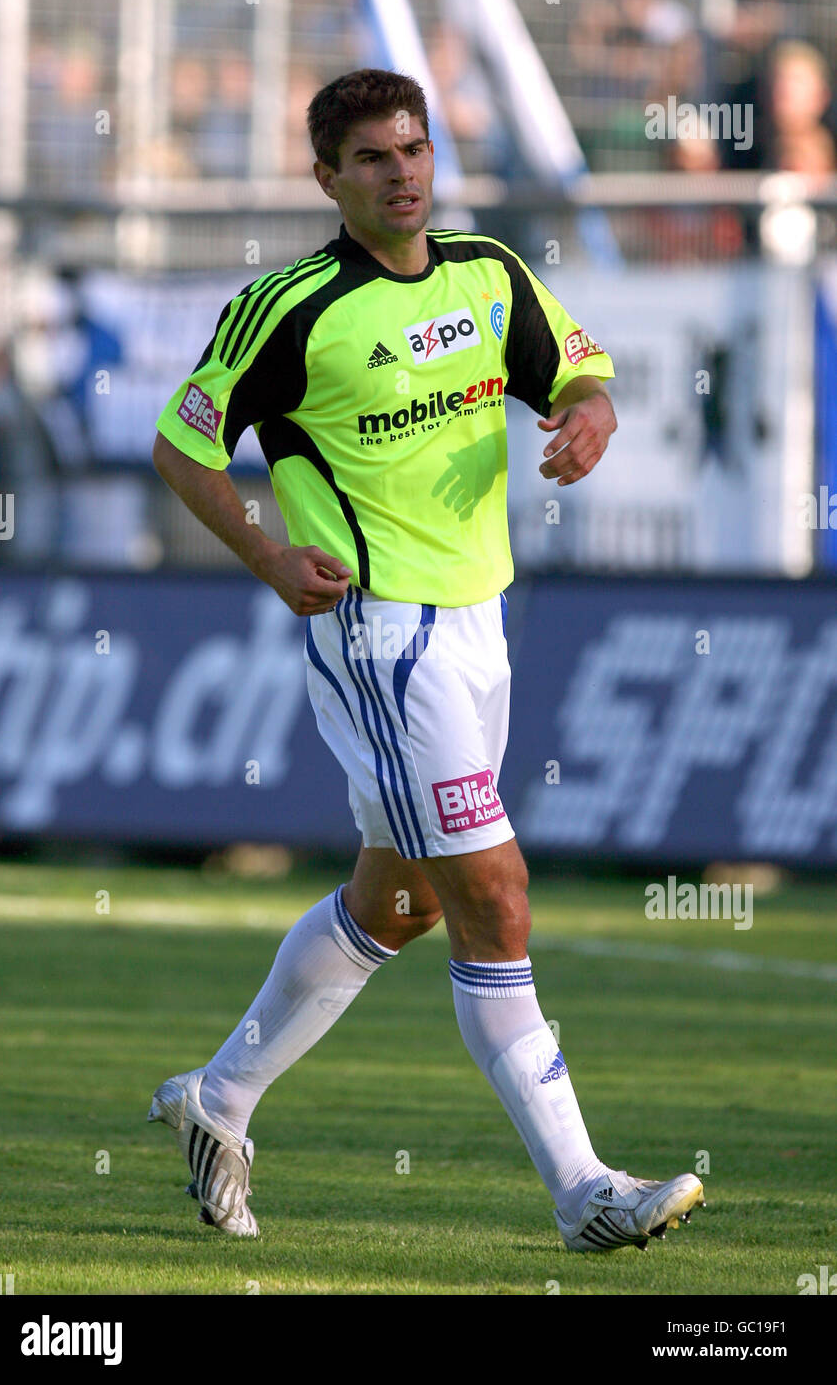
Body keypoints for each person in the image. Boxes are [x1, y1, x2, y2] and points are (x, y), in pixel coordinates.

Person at [148, 68, 705, 1253]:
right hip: (379, 635)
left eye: (414, 150)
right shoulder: (290, 308)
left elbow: (577, 369)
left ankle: (219, 1098)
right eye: (372, 159)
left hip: (477, 622)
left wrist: (590, 412)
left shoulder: (487, 272)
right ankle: (582, 1192)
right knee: (491, 892)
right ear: (326, 178)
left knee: (396, 900)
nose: (402, 174)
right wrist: (265, 556)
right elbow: (183, 443)